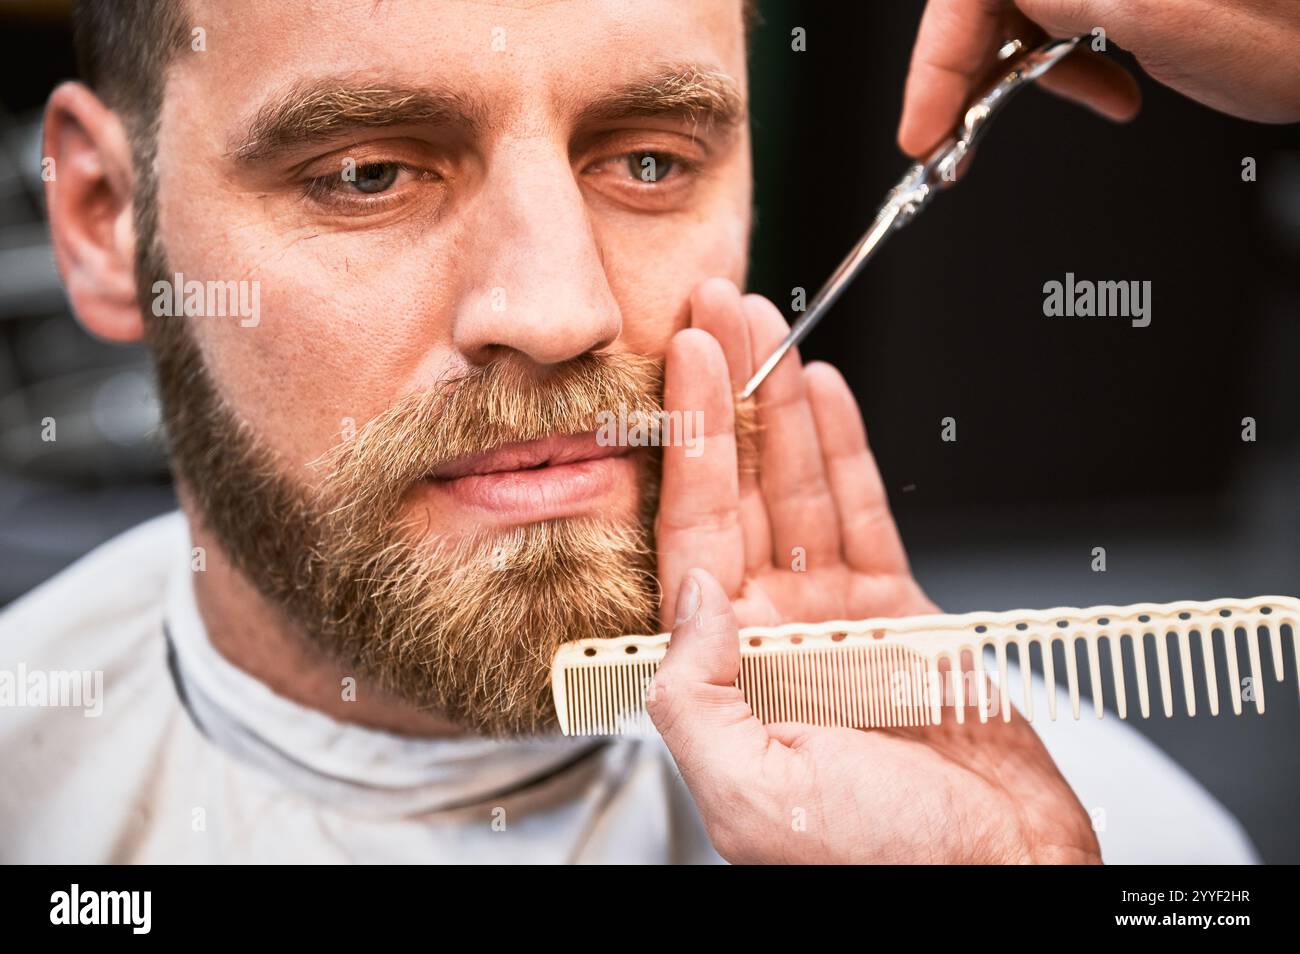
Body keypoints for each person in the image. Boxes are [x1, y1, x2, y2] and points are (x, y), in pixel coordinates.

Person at [0, 0, 1285, 864]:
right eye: (368, 173)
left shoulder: (1094, 837)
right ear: (109, 219)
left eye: (651, 161)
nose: (561, 311)